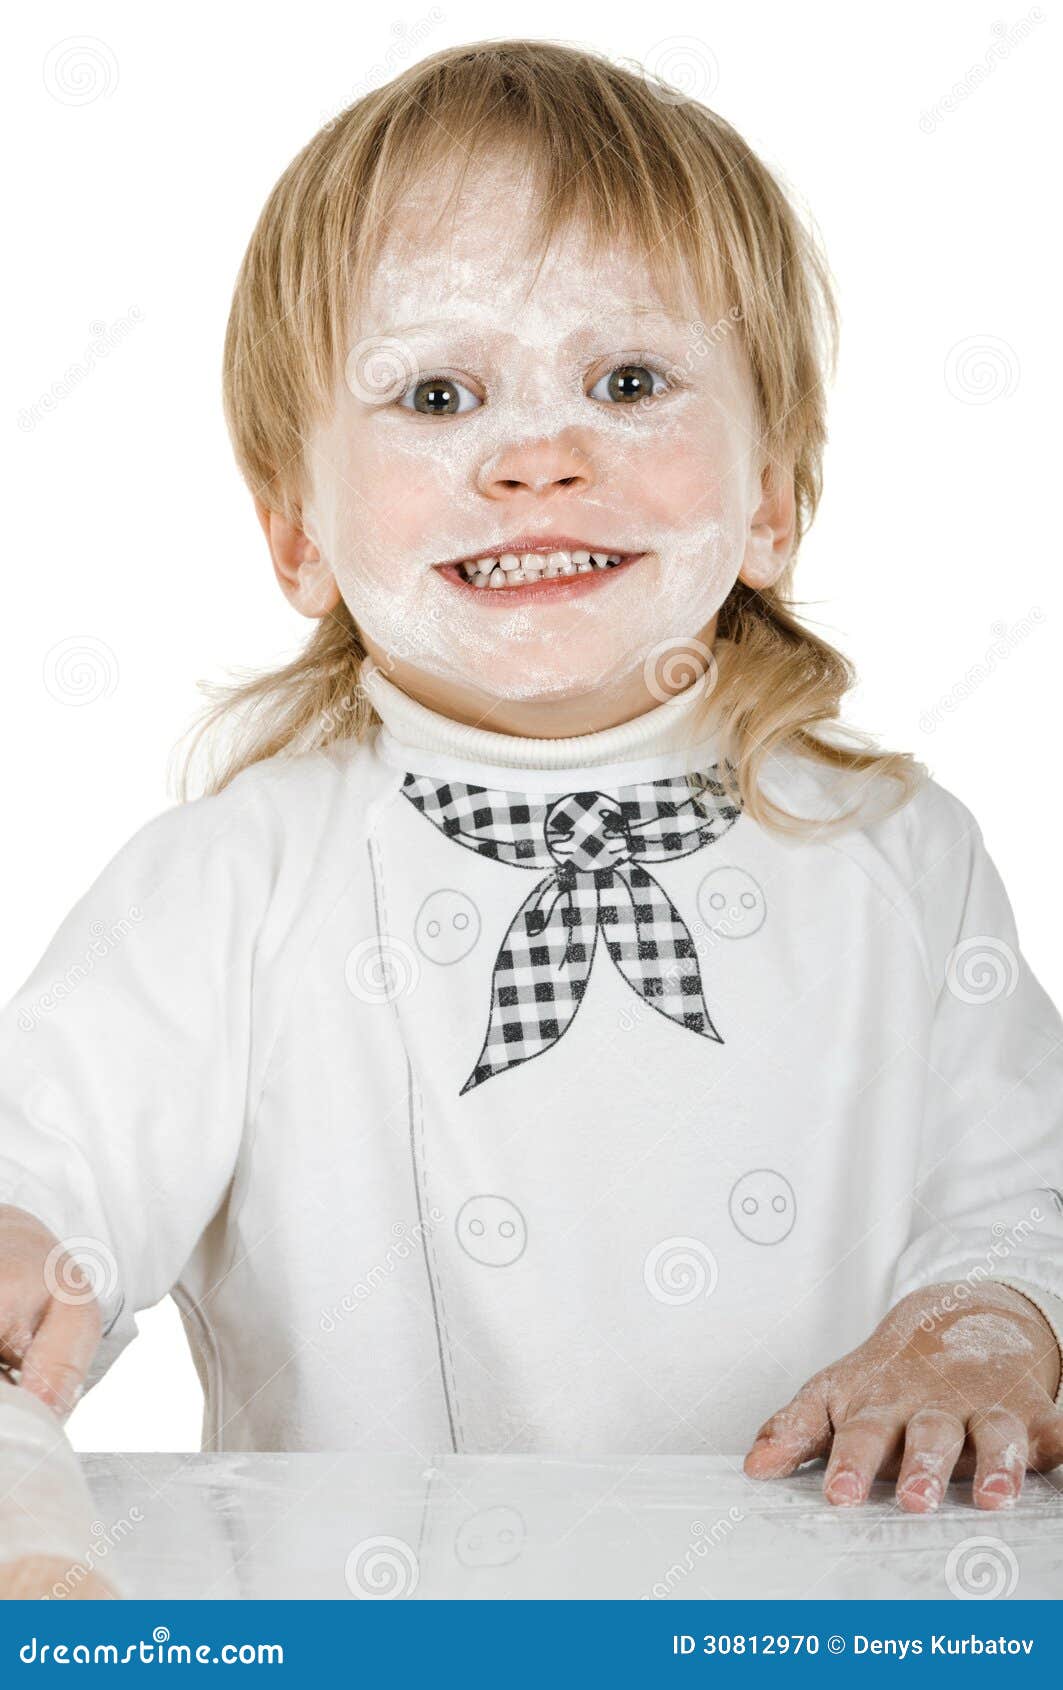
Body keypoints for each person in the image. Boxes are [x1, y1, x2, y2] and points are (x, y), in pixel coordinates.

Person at [2, 40, 1061, 1515]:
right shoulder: (233, 883)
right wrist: (27, 1234)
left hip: (832, 1629)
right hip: (385, 1637)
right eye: (437, 396)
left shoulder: (901, 855)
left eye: (629, 380)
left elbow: (1020, 1198)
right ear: (294, 531)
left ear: (769, 498)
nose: (537, 457)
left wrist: (988, 1326)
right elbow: (52, 1167)